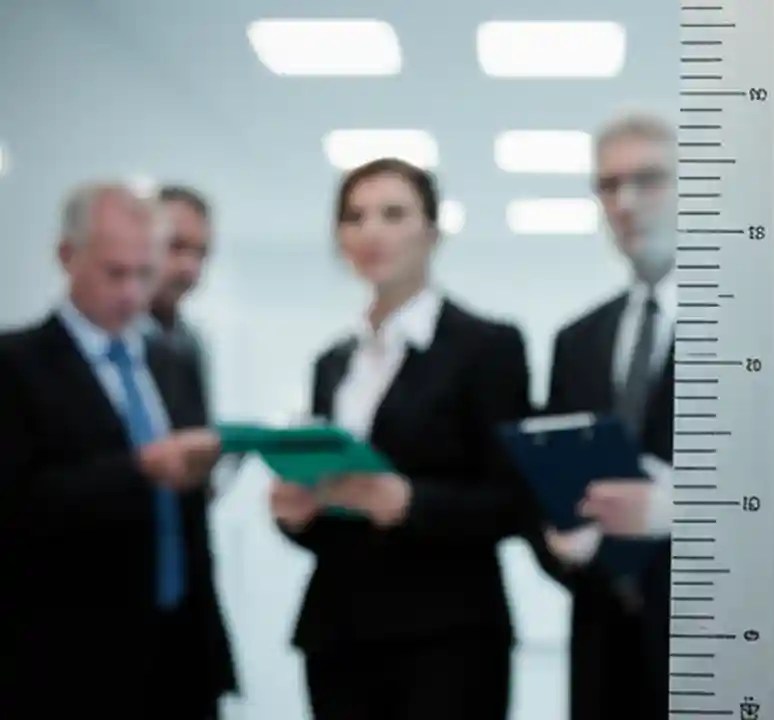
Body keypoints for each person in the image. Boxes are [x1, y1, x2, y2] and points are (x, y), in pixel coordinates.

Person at [269, 158, 535, 720]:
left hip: (447, 639)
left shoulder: (487, 347)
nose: (371, 231)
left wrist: (408, 502)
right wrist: (298, 516)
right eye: (355, 216)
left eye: (393, 214)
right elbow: (335, 515)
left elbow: (513, 502)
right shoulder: (333, 363)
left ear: (432, 233)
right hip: (338, 635)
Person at [0, 182, 237, 718]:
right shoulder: (16, 367)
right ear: (67, 256)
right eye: (115, 273)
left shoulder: (174, 361)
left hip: (180, 652)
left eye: (144, 274)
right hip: (66, 659)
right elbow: (16, 506)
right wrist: (138, 470)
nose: (132, 294)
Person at [540, 111, 678, 720]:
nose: (624, 202)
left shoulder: (753, 328)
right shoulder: (578, 339)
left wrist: (677, 509)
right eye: (608, 185)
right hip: (601, 643)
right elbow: (545, 485)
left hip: (713, 636)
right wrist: (558, 542)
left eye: (648, 179)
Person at [147, 184, 214, 393]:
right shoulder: (108, 341)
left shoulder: (188, 344)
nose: (189, 267)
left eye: (200, 253)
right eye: (176, 246)